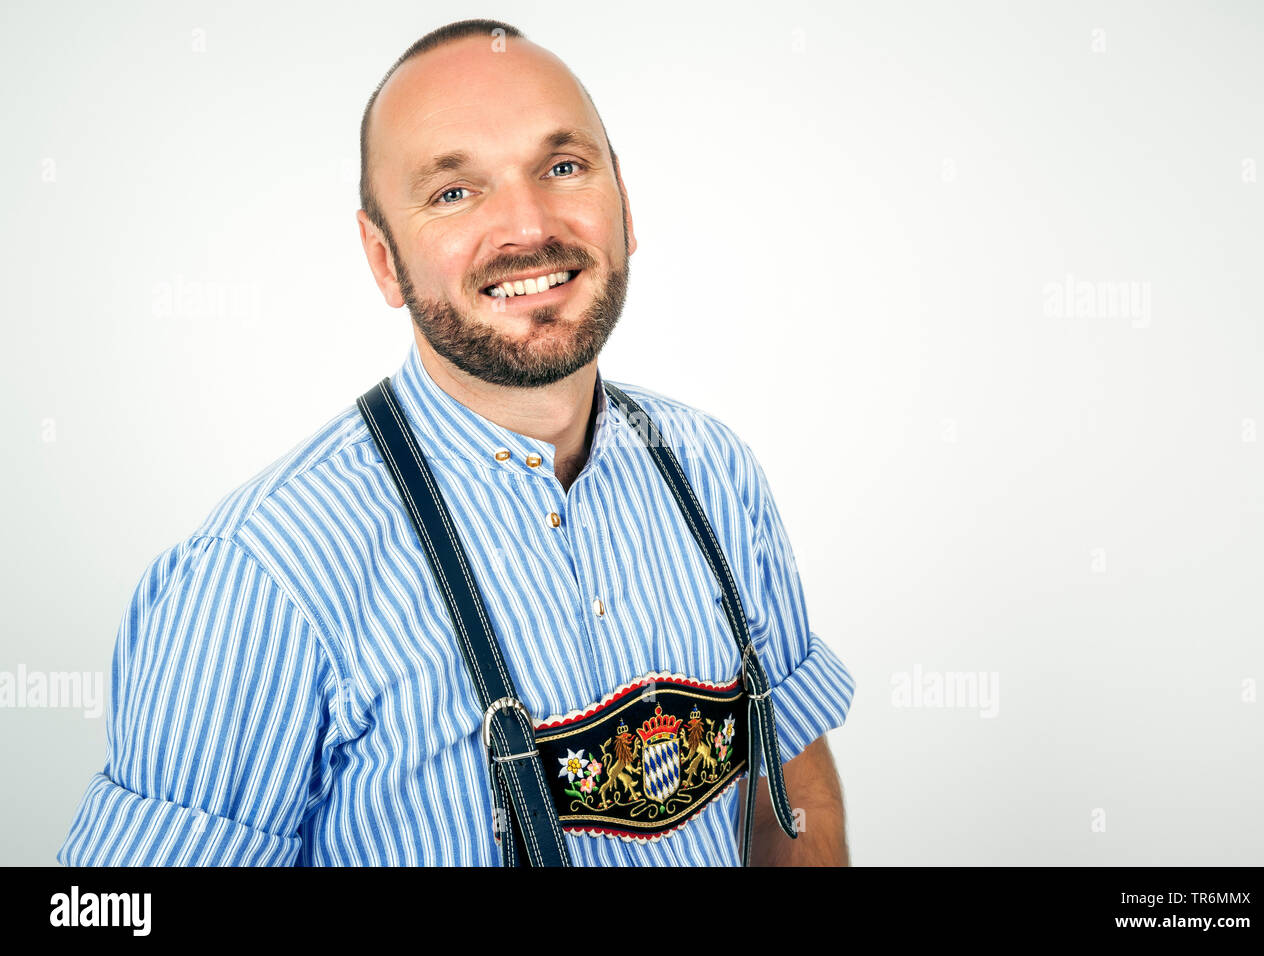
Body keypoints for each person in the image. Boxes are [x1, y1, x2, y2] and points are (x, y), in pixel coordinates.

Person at [57, 19, 856, 866]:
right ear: (383, 260)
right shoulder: (258, 577)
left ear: (622, 201)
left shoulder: (712, 472)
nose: (526, 226)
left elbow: (788, 780)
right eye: (453, 192)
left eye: (562, 167)